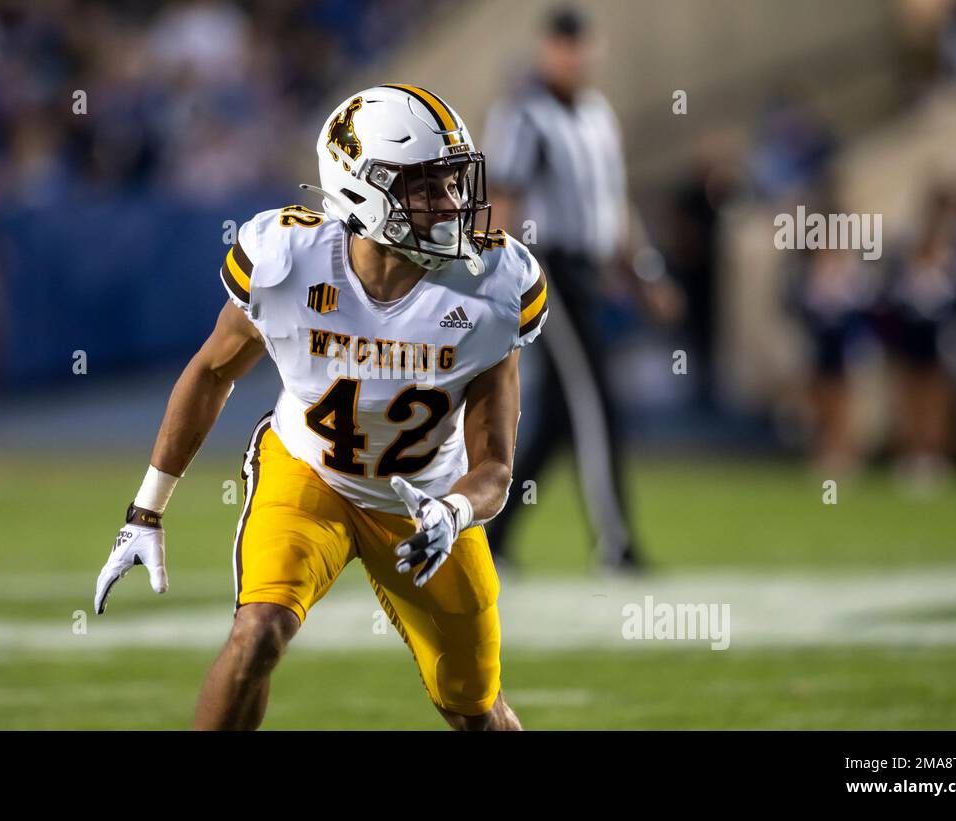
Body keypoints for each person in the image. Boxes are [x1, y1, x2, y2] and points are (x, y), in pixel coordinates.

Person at [92, 85, 549, 730]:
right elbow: (212, 369)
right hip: (311, 473)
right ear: (362, 190)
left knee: (476, 711)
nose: (451, 203)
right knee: (258, 632)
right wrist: (146, 508)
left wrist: (453, 510)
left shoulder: (492, 290)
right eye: (424, 188)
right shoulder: (291, 262)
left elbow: (496, 465)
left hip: (426, 501)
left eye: (452, 182)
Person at [482, 8, 680, 571]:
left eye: (580, 46)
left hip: (591, 270)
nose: (572, 57)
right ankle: (615, 541)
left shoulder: (597, 114)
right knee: (596, 397)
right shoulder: (524, 114)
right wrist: (493, 277)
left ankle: (492, 535)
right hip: (548, 268)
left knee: (563, 415)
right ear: (546, 50)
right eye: (562, 46)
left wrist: (645, 273)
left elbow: (614, 204)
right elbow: (506, 201)